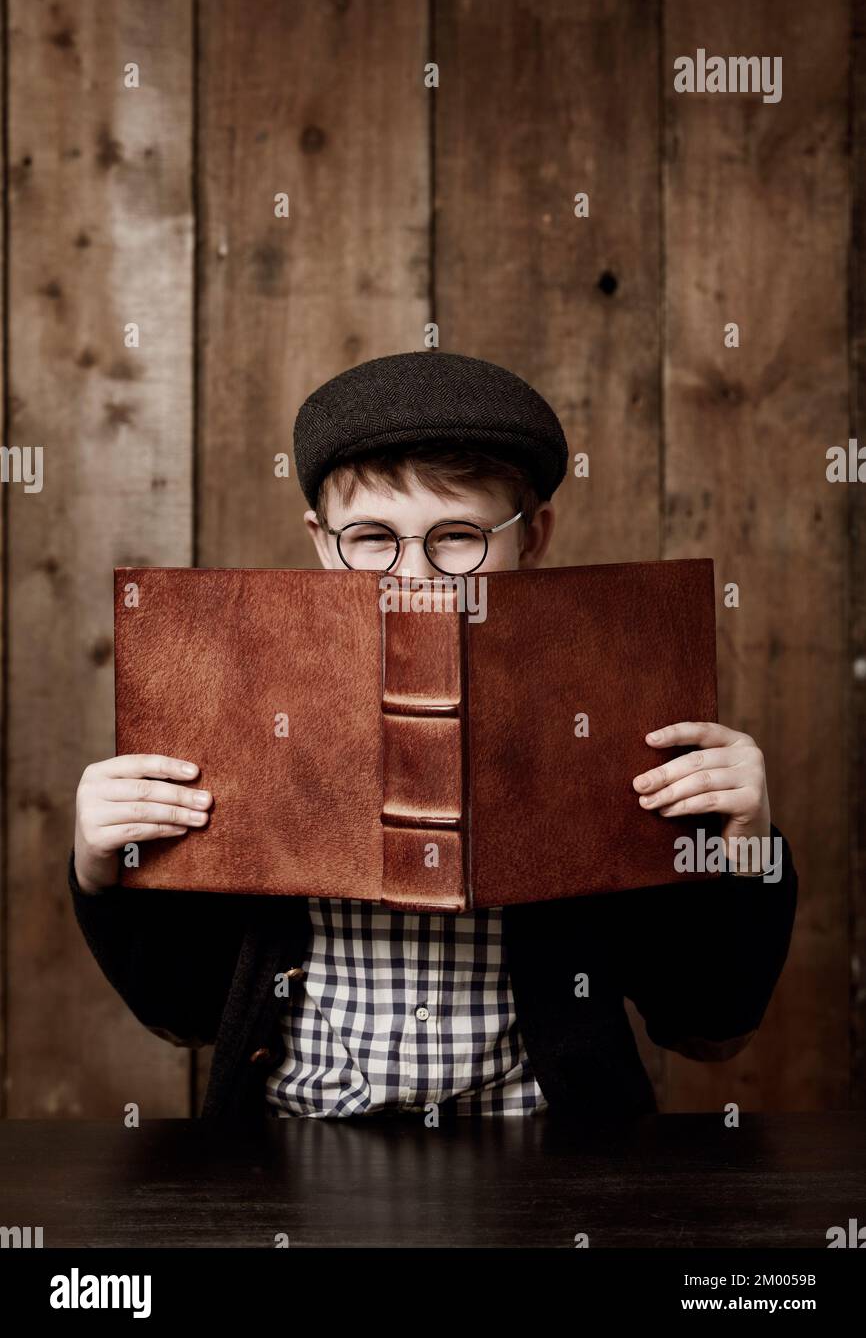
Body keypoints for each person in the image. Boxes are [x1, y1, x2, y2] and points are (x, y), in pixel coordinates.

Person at [69, 351, 798, 1122]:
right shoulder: (239, 709)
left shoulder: (612, 710)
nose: (412, 574)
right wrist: (103, 871)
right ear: (322, 540)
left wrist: (745, 850)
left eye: (457, 537)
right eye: (373, 537)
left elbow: (706, 1024)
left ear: (534, 536)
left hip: (550, 1168)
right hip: (293, 1154)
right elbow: (180, 1012)